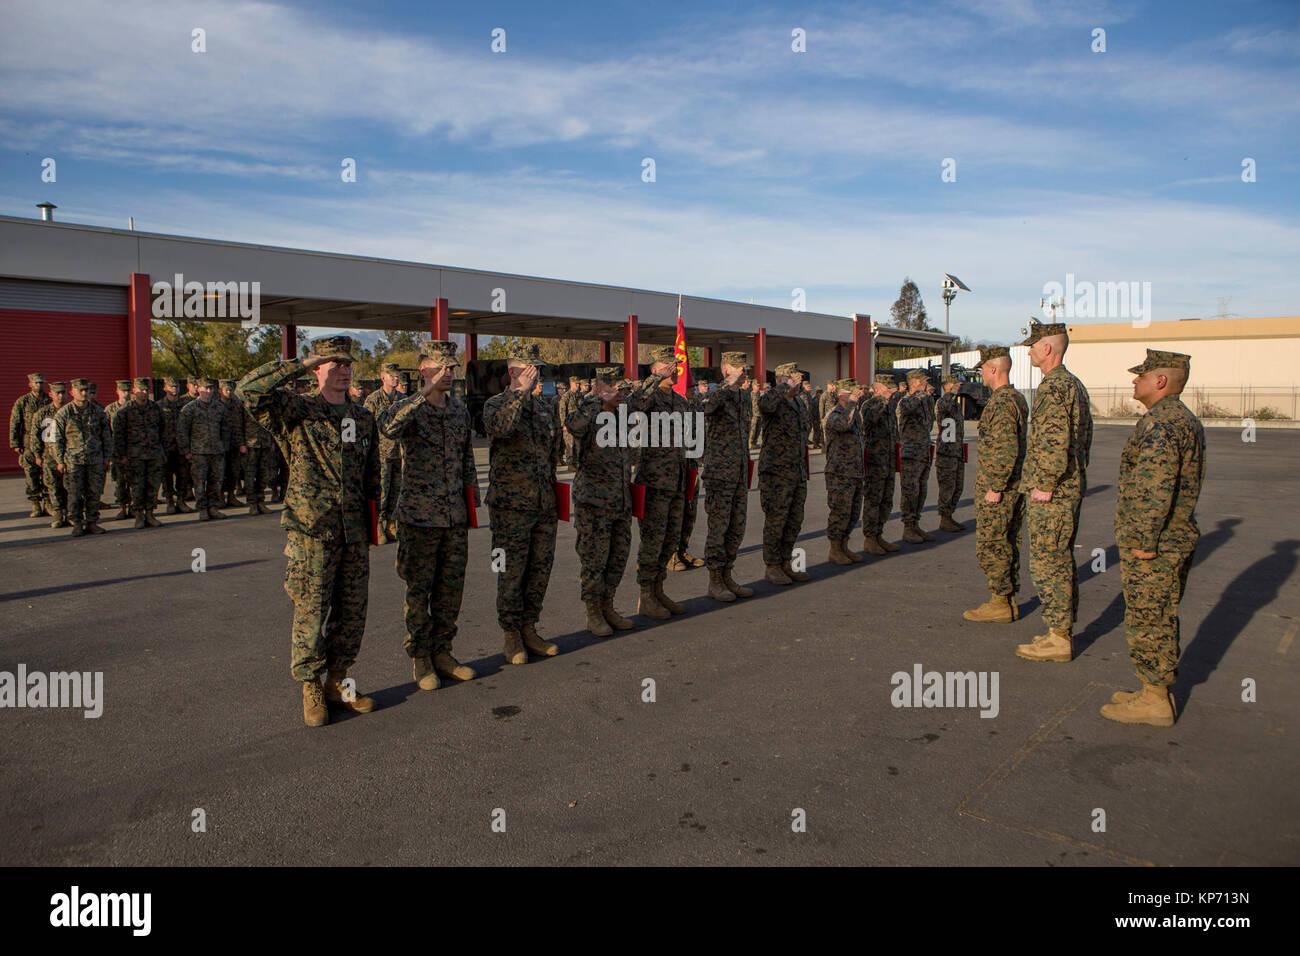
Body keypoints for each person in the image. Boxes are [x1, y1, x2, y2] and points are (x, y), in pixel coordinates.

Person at [237, 335, 381, 728]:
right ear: (316, 368)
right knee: (311, 610)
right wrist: (298, 363)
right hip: (312, 529)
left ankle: (339, 681)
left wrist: (376, 522)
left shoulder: (362, 417)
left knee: (352, 613)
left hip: (353, 531)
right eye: (332, 363)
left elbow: (372, 474)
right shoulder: (296, 410)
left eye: (347, 363)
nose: (343, 370)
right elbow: (247, 391)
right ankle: (311, 685)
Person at [1102, 350, 1204, 727]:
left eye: (1141, 376)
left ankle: (1156, 698)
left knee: (1150, 618)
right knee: (1157, 614)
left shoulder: (1162, 425)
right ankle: (1151, 690)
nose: (1134, 381)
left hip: (1156, 543)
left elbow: (1154, 489)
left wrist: (1143, 540)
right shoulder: (1180, 419)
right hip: (1173, 535)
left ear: (1160, 381)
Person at [378, 342, 480, 688]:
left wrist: (471, 503)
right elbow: (388, 427)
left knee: (451, 589)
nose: (448, 374)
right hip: (419, 518)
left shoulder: (459, 411)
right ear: (423, 369)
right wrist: (422, 393)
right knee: (419, 592)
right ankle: (421, 659)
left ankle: (443, 652)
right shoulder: (411, 408)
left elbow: (467, 460)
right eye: (440, 368)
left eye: (451, 368)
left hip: (453, 517)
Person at [1014, 321, 1094, 664]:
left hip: (1054, 491)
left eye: (1033, 345)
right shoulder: (1072, 385)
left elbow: (1054, 440)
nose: (1029, 351)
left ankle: (1059, 636)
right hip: (1067, 486)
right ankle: (1057, 631)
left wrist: (1044, 484)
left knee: (1050, 562)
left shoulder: (1054, 387)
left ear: (1048, 348)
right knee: (1058, 559)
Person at [483, 343, 562, 663]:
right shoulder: (496, 404)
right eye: (531, 369)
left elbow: (553, 451)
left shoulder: (544, 407)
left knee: (539, 569)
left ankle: (530, 626)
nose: (537, 375)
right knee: (511, 571)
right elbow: (502, 428)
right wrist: (519, 393)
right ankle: (511, 634)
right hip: (511, 506)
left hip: (543, 503)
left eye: (538, 369)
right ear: (514, 372)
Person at [567, 367, 636, 636]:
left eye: (622, 388)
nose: (621, 393)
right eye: (614, 388)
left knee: (618, 557)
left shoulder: (622, 414)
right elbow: (572, 425)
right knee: (594, 559)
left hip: (620, 498)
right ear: (599, 389)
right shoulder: (588, 412)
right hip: (593, 501)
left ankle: (608, 605)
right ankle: (593, 611)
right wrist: (596, 399)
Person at [963, 347, 1029, 623]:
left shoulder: (1002, 402)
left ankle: (1000, 601)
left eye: (982, 368)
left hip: (1000, 488)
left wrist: (996, 487)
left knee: (993, 544)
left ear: (993, 369)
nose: (980, 374)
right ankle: (1007, 600)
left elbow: (1006, 447)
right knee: (1007, 541)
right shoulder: (1016, 398)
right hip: (1012, 484)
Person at [627, 345, 691, 618]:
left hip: (676, 479)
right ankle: (645, 596)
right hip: (654, 479)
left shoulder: (679, 401)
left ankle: (658, 589)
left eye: (675, 364)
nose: (675, 368)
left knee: (670, 539)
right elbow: (633, 406)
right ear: (655, 370)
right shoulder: (649, 397)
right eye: (668, 364)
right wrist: (653, 380)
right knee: (652, 540)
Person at [701, 352, 753, 602]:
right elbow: (705, 409)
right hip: (720, 473)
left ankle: (728, 574)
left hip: (739, 471)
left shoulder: (743, 396)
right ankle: (714, 580)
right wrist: (728, 384)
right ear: (725, 370)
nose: (744, 371)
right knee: (718, 528)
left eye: (745, 367)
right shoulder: (716, 393)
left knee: (737, 527)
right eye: (738, 367)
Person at [757, 362, 810, 585]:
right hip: (776, 472)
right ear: (781, 380)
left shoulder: (798, 401)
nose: (798, 381)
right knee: (776, 520)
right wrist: (782, 387)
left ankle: (787, 561)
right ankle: (772, 566)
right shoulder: (772, 398)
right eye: (793, 378)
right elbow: (765, 406)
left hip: (796, 470)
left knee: (794, 520)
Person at [53, 379, 113, 535]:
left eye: (86, 390)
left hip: (95, 459)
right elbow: (57, 439)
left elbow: (106, 436)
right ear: (72, 392)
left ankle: (92, 522)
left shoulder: (98, 412)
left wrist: (107, 457)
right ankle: (77, 523)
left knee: (94, 492)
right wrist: (59, 460)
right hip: (74, 461)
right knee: (74, 493)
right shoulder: (64, 413)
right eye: (81, 390)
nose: (85, 393)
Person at [112, 377, 166, 530]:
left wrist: (162, 451)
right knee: (137, 487)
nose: (144, 393)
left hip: (153, 454)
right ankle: (139, 515)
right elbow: (119, 436)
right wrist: (121, 456)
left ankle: (150, 513)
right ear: (134, 391)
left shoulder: (156, 409)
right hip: (134, 456)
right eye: (141, 390)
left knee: (153, 486)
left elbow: (162, 430)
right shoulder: (125, 411)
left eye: (146, 390)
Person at [668, 379, 709, 571]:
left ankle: (683, 550)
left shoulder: (696, 406)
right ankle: (671, 554)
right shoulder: (670, 406)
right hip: (675, 466)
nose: (692, 391)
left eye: (693, 388)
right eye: (689, 387)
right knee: (675, 512)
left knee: (689, 511)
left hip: (691, 463)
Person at [823, 378, 866, 564]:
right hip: (839, 472)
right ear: (841, 395)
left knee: (853, 512)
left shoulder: (854, 413)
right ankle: (834, 548)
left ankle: (844, 545)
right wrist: (852, 406)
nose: (856, 396)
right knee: (840, 511)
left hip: (854, 470)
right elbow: (842, 425)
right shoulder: (834, 414)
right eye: (852, 393)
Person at [178, 378, 232, 521]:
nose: (208, 392)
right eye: (205, 388)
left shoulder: (220, 408)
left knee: (216, 481)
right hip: (198, 452)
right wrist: (186, 450)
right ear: (198, 389)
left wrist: (224, 447)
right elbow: (182, 431)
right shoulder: (190, 408)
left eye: (210, 389)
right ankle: (202, 509)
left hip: (217, 451)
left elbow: (226, 428)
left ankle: (213, 507)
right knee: (199, 482)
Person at [364, 363, 405, 543]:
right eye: (392, 376)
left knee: (396, 490)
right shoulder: (373, 400)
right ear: (383, 378)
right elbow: (364, 427)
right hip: (380, 454)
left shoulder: (402, 399)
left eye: (397, 376)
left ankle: (391, 523)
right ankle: (378, 526)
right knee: (382, 491)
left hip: (399, 453)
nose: (395, 379)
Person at [859, 374, 899, 555]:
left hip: (888, 460)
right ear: (877, 389)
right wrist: (883, 400)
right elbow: (869, 421)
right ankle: (869, 538)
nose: (891, 390)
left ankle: (879, 534)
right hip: (875, 461)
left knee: (886, 500)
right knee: (873, 500)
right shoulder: (870, 405)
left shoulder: (890, 406)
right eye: (887, 387)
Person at [896, 369, 937, 543]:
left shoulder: (924, 401)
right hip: (910, 453)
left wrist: (925, 399)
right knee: (910, 491)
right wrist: (920, 396)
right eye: (922, 382)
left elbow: (929, 423)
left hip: (923, 451)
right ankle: (908, 527)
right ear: (914, 383)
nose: (926, 385)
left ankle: (915, 524)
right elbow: (905, 410)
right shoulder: (906, 401)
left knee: (921, 490)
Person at [9, 372, 50, 517]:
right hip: (28, 444)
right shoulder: (23, 401)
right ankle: (36, 504)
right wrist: (15, 443)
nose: (39, 385)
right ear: (30, 384)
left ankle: (48, 503)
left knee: (47, 474)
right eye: (36, 383)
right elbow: (15, 422)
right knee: (31, 475)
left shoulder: (49, 400)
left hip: (46, 443)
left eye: (41, 382)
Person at [934, 374, 966, 533]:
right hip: (946, 453)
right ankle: (944, 518)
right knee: (947, 486)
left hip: (957, 451)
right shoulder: (943, 401)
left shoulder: (956, 404)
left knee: (957, 486)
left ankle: (950, 516)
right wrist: (950, 393)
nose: (958, 386)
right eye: (955, 384)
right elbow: (943, 407)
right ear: (947, 385)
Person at [158, 377, 194, 514]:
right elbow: (157, 428)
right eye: (171, 386)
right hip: (167, 448)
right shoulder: (159, 406)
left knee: (183, 476)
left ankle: (181, 500)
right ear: (165, 388)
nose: (174, 389)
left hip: (182, 447)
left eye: (176, 386)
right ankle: (169, 502)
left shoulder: (186, 404)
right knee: (166, 477)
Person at [36, 382, 70, 528]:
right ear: (51, 394)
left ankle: (70, 513)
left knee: (70, 485)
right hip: (49, 456)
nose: (61, 396)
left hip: (68, 455)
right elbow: (35, 435)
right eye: (58, 393)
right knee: (53, 486)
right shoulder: (43, 413)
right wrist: (37, 454)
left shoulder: (71, 411)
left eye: (63, 393)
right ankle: (57, 513)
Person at [105, 380, 132, 519]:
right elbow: (106, 432)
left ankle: (133, 507)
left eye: (128, 390)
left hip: (133, 451)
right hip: (116, 452)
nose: (126, 394)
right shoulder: (110, 410)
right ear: (117, 391)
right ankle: (122, 507)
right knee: (120, 481)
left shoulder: (134, 407)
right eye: (123, 391)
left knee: (134, 481)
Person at [219, 379, 246, 508]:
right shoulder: (216, 406)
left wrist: (241, 443)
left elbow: (240, 424)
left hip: (234, 444)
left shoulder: (236, 405)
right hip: (220, 445)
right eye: (226, 390)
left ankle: (231, 496)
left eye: (231, 390)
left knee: (233, 472)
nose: (229, 393)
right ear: (220, 391)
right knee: (220, 473)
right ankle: (220, 497)